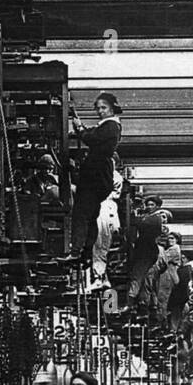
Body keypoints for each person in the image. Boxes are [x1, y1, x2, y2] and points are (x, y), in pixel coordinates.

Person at [69, 92, 123, 263]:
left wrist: (79, 128)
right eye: (98, 108)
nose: (100, 111)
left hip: (96, 174)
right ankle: (85, 252)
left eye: (104, 107)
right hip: (99, 174)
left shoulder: (111, 125)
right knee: (91, 214)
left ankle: (76, 251)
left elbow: (91, 137)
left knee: (81, 213)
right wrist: (81, 129)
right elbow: (91, 134)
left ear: (112, 108)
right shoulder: (108, 126)